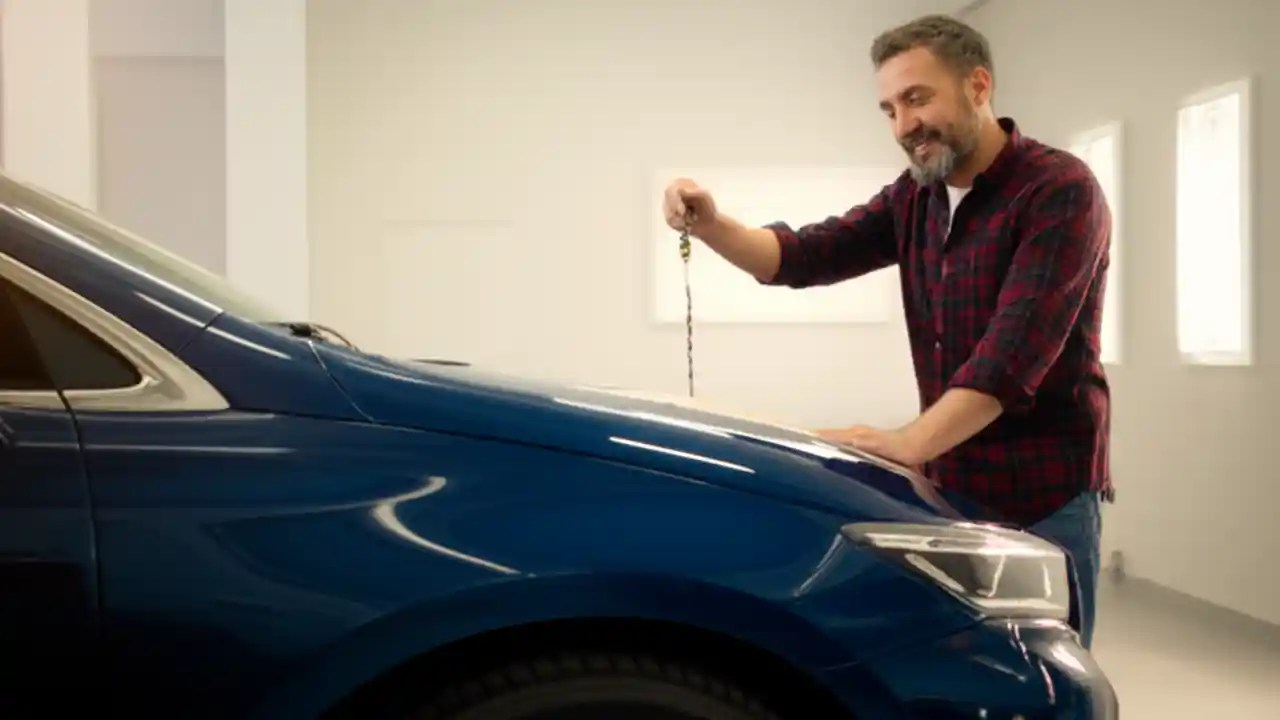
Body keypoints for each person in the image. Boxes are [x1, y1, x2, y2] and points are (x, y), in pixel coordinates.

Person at [661, 14, 1112, 648]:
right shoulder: (915, 198)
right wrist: (710, 224)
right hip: (953, 486)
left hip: (1044, 492)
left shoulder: (1060, 190)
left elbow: (1012, 356)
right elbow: (803, 256)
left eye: (917, 98)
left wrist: (908, 442)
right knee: (968, 667)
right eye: (890, 109)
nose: (903, 125)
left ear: (978, 86)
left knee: (1045, 672)